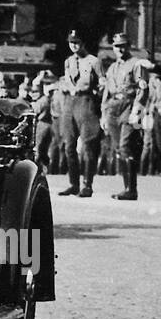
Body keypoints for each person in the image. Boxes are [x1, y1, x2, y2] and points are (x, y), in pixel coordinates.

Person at [102, 33, 151, 201]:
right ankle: (125, 188)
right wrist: (104, 113)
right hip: (113, 108)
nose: (120, 49)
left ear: (129, 46)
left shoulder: (135, 64)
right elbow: (106, 93)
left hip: (128, 107)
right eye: (116, 46)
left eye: (123, 46)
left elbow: (143, 89)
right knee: (118, 149)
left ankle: (131, 189)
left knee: (125, 146)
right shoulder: (112, 68)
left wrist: (137, 110)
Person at [59, 29, 104, 198]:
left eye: (77, 42)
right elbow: (66, 80)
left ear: (83, 43)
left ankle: (87, 185)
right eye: (71, 42)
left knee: (88, 146)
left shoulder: (93, 61)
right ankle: (73, 184)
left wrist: (97, 97)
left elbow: (102, 83)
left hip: (86, 102)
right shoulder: (68, 61)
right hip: (70, 103)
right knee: (69, 145)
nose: (74, 45)